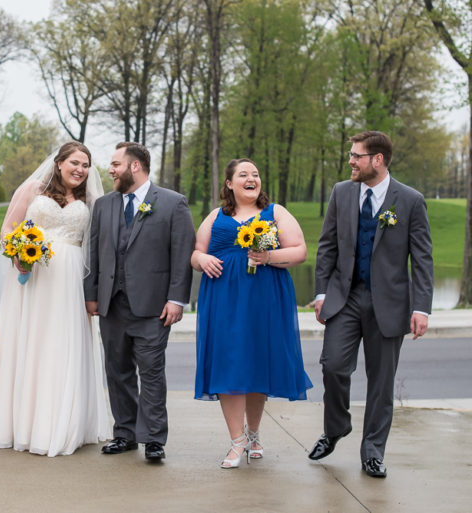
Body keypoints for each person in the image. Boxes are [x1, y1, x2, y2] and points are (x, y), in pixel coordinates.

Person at [0, 141, 111, 457]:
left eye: (85, 165)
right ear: (59, 162)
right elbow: (8, 229)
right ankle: (25, 424)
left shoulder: (90, 199)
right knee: (32, 342)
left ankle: (64, 423)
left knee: (63, 345)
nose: (80, 170)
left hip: (70, 280)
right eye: (74, 163)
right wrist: (18, 254)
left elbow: (96, 245)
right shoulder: (33, 188)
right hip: (34, 277)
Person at [308, 131, 433, 478]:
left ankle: (373, 452)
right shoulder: (341, 192)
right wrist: (321, 293)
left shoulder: (410, 200)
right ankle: (336, 428)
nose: (350, 161)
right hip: (345, 298)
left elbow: (422, 259)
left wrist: (421, 308)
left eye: (356, 156)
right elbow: (327, 246)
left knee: (381, 382)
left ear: (377, 160)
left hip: (389, 303)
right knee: (333, 367)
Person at [191, 158, 312, 468]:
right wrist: (201, 261)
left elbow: (300, 250)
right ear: (229, 183)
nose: (251, 178)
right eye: (243, 174)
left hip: (264, 299)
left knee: (257, 362)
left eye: (255, 174)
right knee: (229, 364)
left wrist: (268, 256)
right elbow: (197, 251)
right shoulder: (216, 215)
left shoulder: (275, 212)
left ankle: (254, 433)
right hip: (224, 299)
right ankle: (237, 441)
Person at [84, 142, 195, 462]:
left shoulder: (173, 203)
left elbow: (182, 254)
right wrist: (92, 294)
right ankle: (125, 434)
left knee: (151, 371)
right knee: (117, 371)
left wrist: (177, 299)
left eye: (116, 164)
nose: (110, 170)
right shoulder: (103, 205)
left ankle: (154, 439)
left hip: (154, 306)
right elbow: (93, 253)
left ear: (135, 166)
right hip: (112, 304)